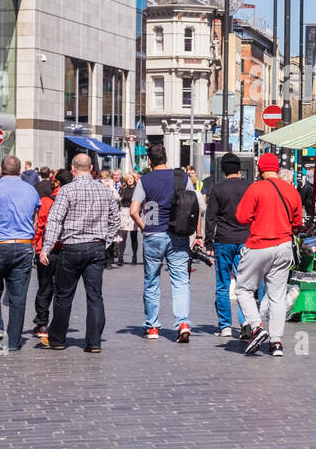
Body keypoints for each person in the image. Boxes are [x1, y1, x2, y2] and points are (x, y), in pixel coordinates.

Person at [41, 154, 120, 352]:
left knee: (64, 295)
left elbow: (55, 220)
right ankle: (94, 342)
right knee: (95, 296)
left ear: (72, 169)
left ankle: (58, 339)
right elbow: (115, 220)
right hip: (96, 247)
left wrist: (47, 247)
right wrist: (106, 240)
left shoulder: (66, 190)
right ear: (91, 167)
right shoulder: (105, 190)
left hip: (72, 247)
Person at [129, 144, 201, 342]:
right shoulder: (182, 177)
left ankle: (152, 326)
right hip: (178, 233)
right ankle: (183, 323)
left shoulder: (146, 180)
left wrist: (145, 227)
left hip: (153, 232)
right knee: (180, 281)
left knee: (151, 281)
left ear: (150, 161)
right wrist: (198, 235)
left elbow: (133, 210)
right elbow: (194, 204)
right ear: (166, 157)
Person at [233, 153, 303, 356]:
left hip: (259, 245)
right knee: (277, 296)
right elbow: (297, 223)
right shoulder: (291, 190)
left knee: (243, 289)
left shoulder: (255, 188)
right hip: (283, 246)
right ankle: (276, 342)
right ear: (277, 168)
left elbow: (241, 217)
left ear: (261, 169)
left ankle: (256, 327)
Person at [0, 156, 41, 353]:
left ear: (1, 170)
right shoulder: (30, 190)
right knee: (18, 296)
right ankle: (13, 341)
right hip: (22, 245)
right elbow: (36, 220)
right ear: (20, 170)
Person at [206, 153, 251, 337]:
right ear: (239, 168)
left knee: (223, 284)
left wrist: (209, 241)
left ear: (223, 169)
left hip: (223, 240)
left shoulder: (218, 189)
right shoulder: (249, 187)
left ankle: (224, 326)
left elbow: (211, 218)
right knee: (244, 285)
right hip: (245, 240)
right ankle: (245, 321)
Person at [31, 168, 72, 342]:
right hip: (66, 250)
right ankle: (58, 323)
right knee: (62, 290)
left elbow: (40, 225)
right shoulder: (72, 199)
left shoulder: (46, 201)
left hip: (46, 250)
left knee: (45, 287)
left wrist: (34, 246)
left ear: (56, 182)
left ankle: (42, 323)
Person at [118, 172, 139, 265]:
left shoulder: (138, 189)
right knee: (123, 235)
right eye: (128, 179)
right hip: (124, 212)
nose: (130, 180)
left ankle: (134, 256)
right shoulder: (122, 189)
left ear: (134, 179)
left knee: (133, 236)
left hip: (134, 212)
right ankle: (120, 257)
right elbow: (119, 200)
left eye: (131, 178)